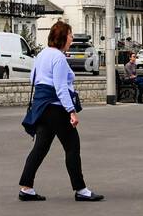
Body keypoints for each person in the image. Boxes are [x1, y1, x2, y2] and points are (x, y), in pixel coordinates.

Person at [19, 20, 103, 202]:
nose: (72, 38)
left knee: (39, 148)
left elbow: (32, 78)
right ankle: (81, 189)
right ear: (64, 37)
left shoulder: (41, 55)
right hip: (56, 109)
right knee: (72, 146)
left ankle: (26, 187)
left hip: (41, 107)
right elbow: (60, 87)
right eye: (71, 35)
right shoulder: (58, 57)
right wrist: (71, 111)